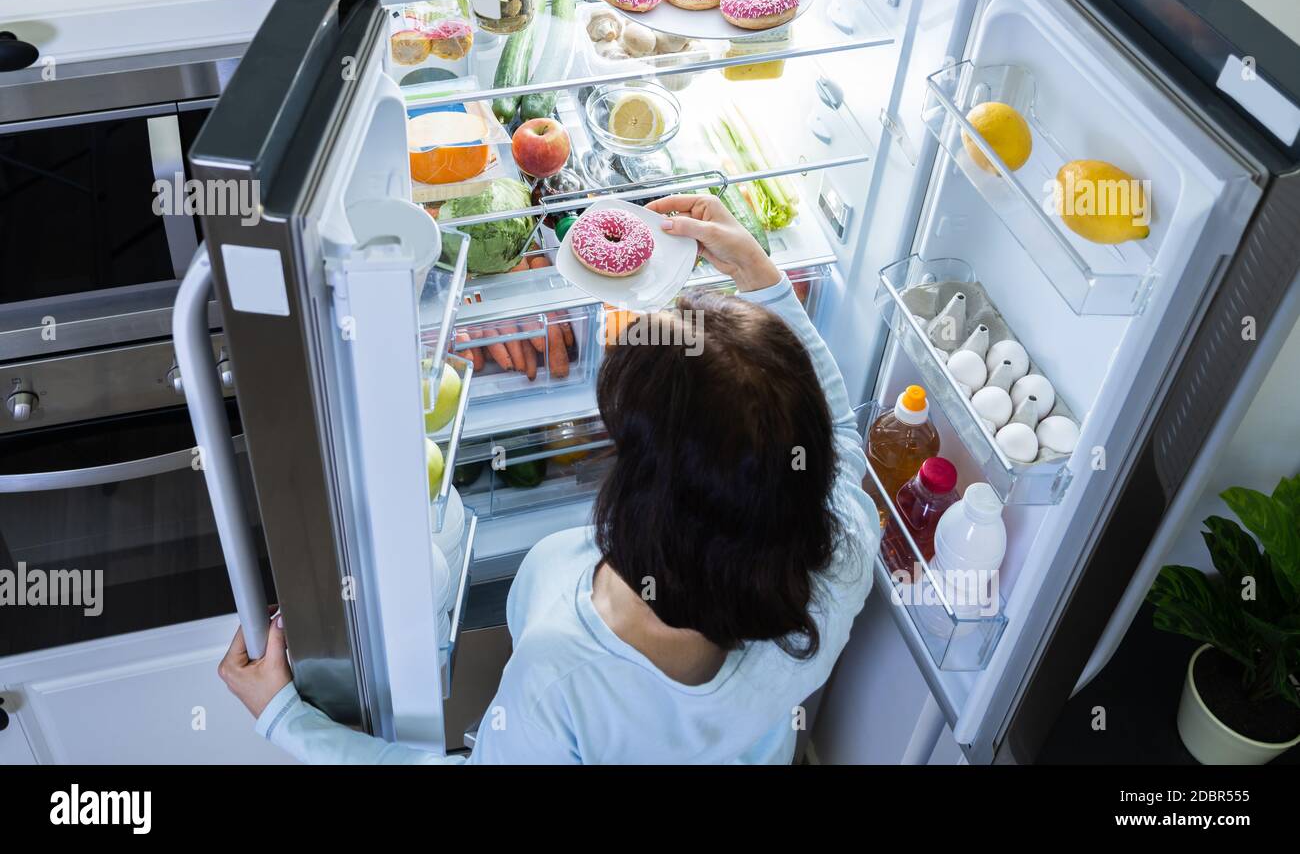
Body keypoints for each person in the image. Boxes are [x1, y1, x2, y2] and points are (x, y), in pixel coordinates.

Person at [219, 194, 879, 763]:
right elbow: (841, 435)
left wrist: (287, 719)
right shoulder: (840, 556)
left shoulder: (562, 680)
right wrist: (763, 282)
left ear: (640, 495)